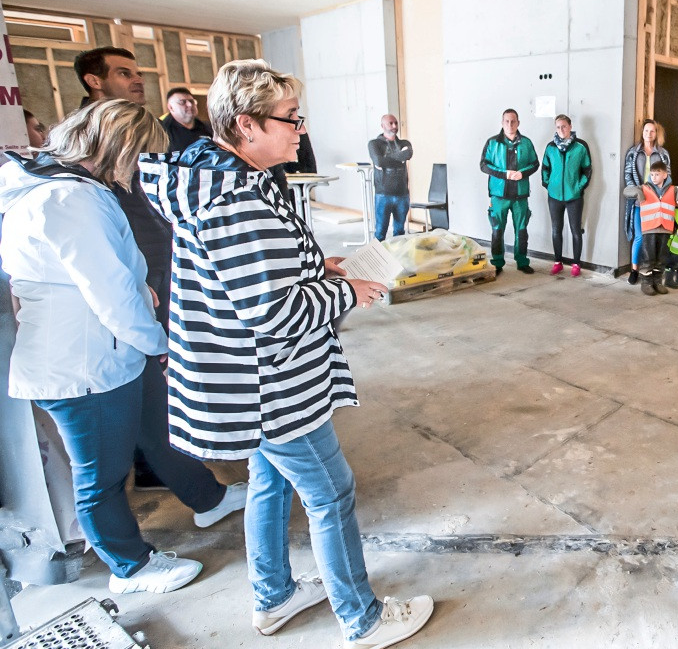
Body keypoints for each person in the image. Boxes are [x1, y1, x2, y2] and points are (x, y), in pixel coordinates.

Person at [140, 60, 433, 647]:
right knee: (331, 493)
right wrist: (348, 290)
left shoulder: (230, 179)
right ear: (246, 124)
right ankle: (363, 619)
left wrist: (313, 266)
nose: (300, 130)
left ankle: (273, 598)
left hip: (259, 382)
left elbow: (253, 278)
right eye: (289, 119)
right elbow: (274, 316)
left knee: (269, 482)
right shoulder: (236, 201)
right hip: (272, 384)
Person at [0, 99, 203, 595]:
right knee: (101, 474)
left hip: (94, 351)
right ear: (120, 147)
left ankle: (208, 497)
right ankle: (129, 566)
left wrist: (139, 288)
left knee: (153, 432)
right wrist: (160, 342)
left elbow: (93, 275)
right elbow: (108, 291)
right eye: (142, 157)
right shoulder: (71, 200)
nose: (141, 169)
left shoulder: (58, 188)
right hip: (81, 363)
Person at [78, 49, 242, 509]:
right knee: (153, 383)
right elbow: (104, 276)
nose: (137, 80)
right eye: (124, 73)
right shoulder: (91, 165)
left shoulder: (135, 138)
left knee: (161, 387)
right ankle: (171, 481)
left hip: (157, 266)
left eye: (137, 72)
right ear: (94, 81)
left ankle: (192, 473)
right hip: (136, 282)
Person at [481, 109, 539, 275]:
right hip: (499, 196)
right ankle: (497, 262)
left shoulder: (526, 143)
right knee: (497, 230)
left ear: (518, 123)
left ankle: (522, 261)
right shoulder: (492, 143)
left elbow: (535, 164)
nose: (510, 124)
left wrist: (523, 173)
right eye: (506, 121)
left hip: (520, 196)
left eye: (513, 121)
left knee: (521, 230)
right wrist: (504, 174)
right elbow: (484, 165)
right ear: (502, 123)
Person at [623, 161, 678, 296]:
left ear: (665, 175)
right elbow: (626, 190)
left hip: (665, 229)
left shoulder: (673, 189)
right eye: (651, 174)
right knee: (648, 257)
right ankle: (646, 283)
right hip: (649, 229)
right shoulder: (644, 188)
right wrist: (637, 192)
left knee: (661, 258)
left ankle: (657, 282)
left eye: (657, 174)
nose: (653, 177)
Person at [541, 114, 592, 276]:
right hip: (554, 197)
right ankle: (558, 262)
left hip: (574, 197)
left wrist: (578, 187)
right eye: (558, 127)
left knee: (576, 230)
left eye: (564, 126)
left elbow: (587, 170)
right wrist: (549, 185)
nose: (561, 130)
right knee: (556, 229)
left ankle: (576, 264)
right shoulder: (550, 147)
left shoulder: (580, 147)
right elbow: (545, 169)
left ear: (570, 126)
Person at [623, 119, 671, 284]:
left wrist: (659, 192)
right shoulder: (633, 153)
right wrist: (637, 191)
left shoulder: (663, 154)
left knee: (656, 237)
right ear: (642, 133)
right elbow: (627, 175)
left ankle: (652, 270)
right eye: (646, 131)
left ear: (656, 133)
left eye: (652, 131)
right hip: (639, 201)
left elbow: (668, 176)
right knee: (639, 237)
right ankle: (634, 270)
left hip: (657, 202)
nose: (649, 134)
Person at [368, 114, 414, 242]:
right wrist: (400, 157)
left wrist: (385, 160)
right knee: (380, 232)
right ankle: (375, 260)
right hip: (383, 194)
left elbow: (408, 154)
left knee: (400, 232)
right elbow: (378, 161)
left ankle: (396, 260)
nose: (394, 126)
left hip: (402, 194)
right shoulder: (374, 144)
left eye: (396, 123)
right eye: (390, 123)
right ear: (382, 126)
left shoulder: (405, 143)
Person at [159, 87, 212, 153]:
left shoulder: (208, 128)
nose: (189, 105)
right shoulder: (161, 132)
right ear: (171, 107)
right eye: (182, 102)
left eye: (192, 101)